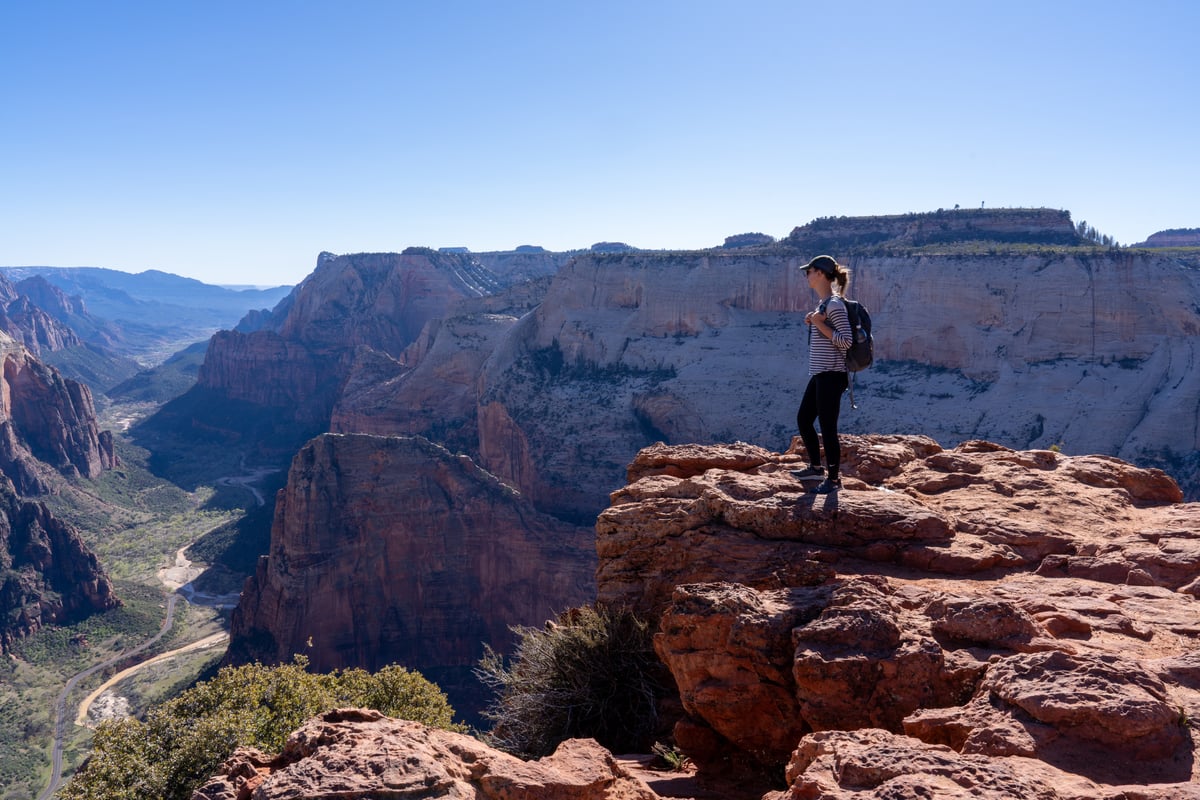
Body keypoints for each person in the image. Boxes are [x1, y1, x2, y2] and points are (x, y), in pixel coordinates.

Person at [792, 255, 851, 494]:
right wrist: (815, 320)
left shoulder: (835, 305)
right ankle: (816, 468)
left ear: (820, 274)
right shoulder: (824, 305)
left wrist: (819, 323)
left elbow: (845, 341)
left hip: (832, 375)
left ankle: (834, 480)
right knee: (804, 419)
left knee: (827, 427)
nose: (806, 275)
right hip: (820, 373)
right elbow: (827, 330)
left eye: (809, 271)